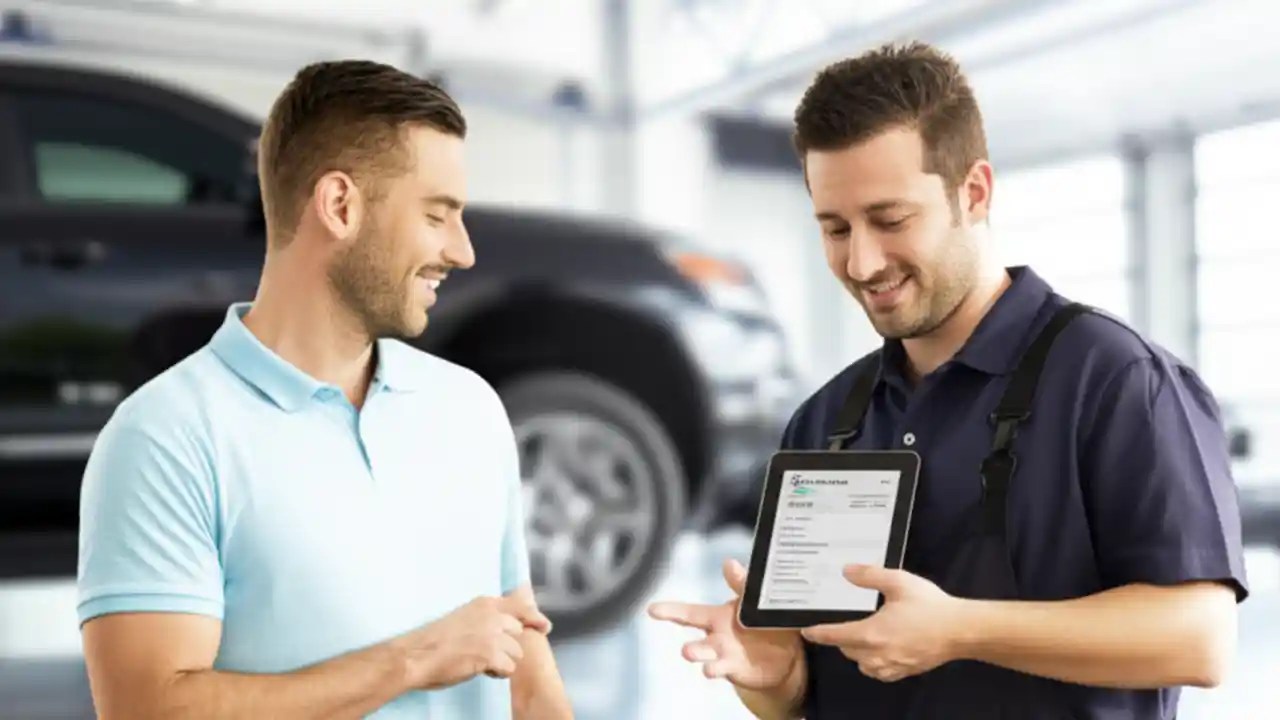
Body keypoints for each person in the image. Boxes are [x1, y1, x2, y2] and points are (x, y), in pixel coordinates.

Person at [648, 40, 1248, 719]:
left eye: (890, 220)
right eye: (835, 227)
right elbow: (806, 694)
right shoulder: (825, 422)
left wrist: (960, 629)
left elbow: (1200, 639)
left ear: (975, 192)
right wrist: (773, 678)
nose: (863, 261)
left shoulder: (1115, 380)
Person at [76, 60, 573, 720]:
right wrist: (415, 660)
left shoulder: (470, 408)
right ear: (339, 206)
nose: (463, 251)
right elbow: (150, 711)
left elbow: (529, 678)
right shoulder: (164, 438)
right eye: (437, 215)